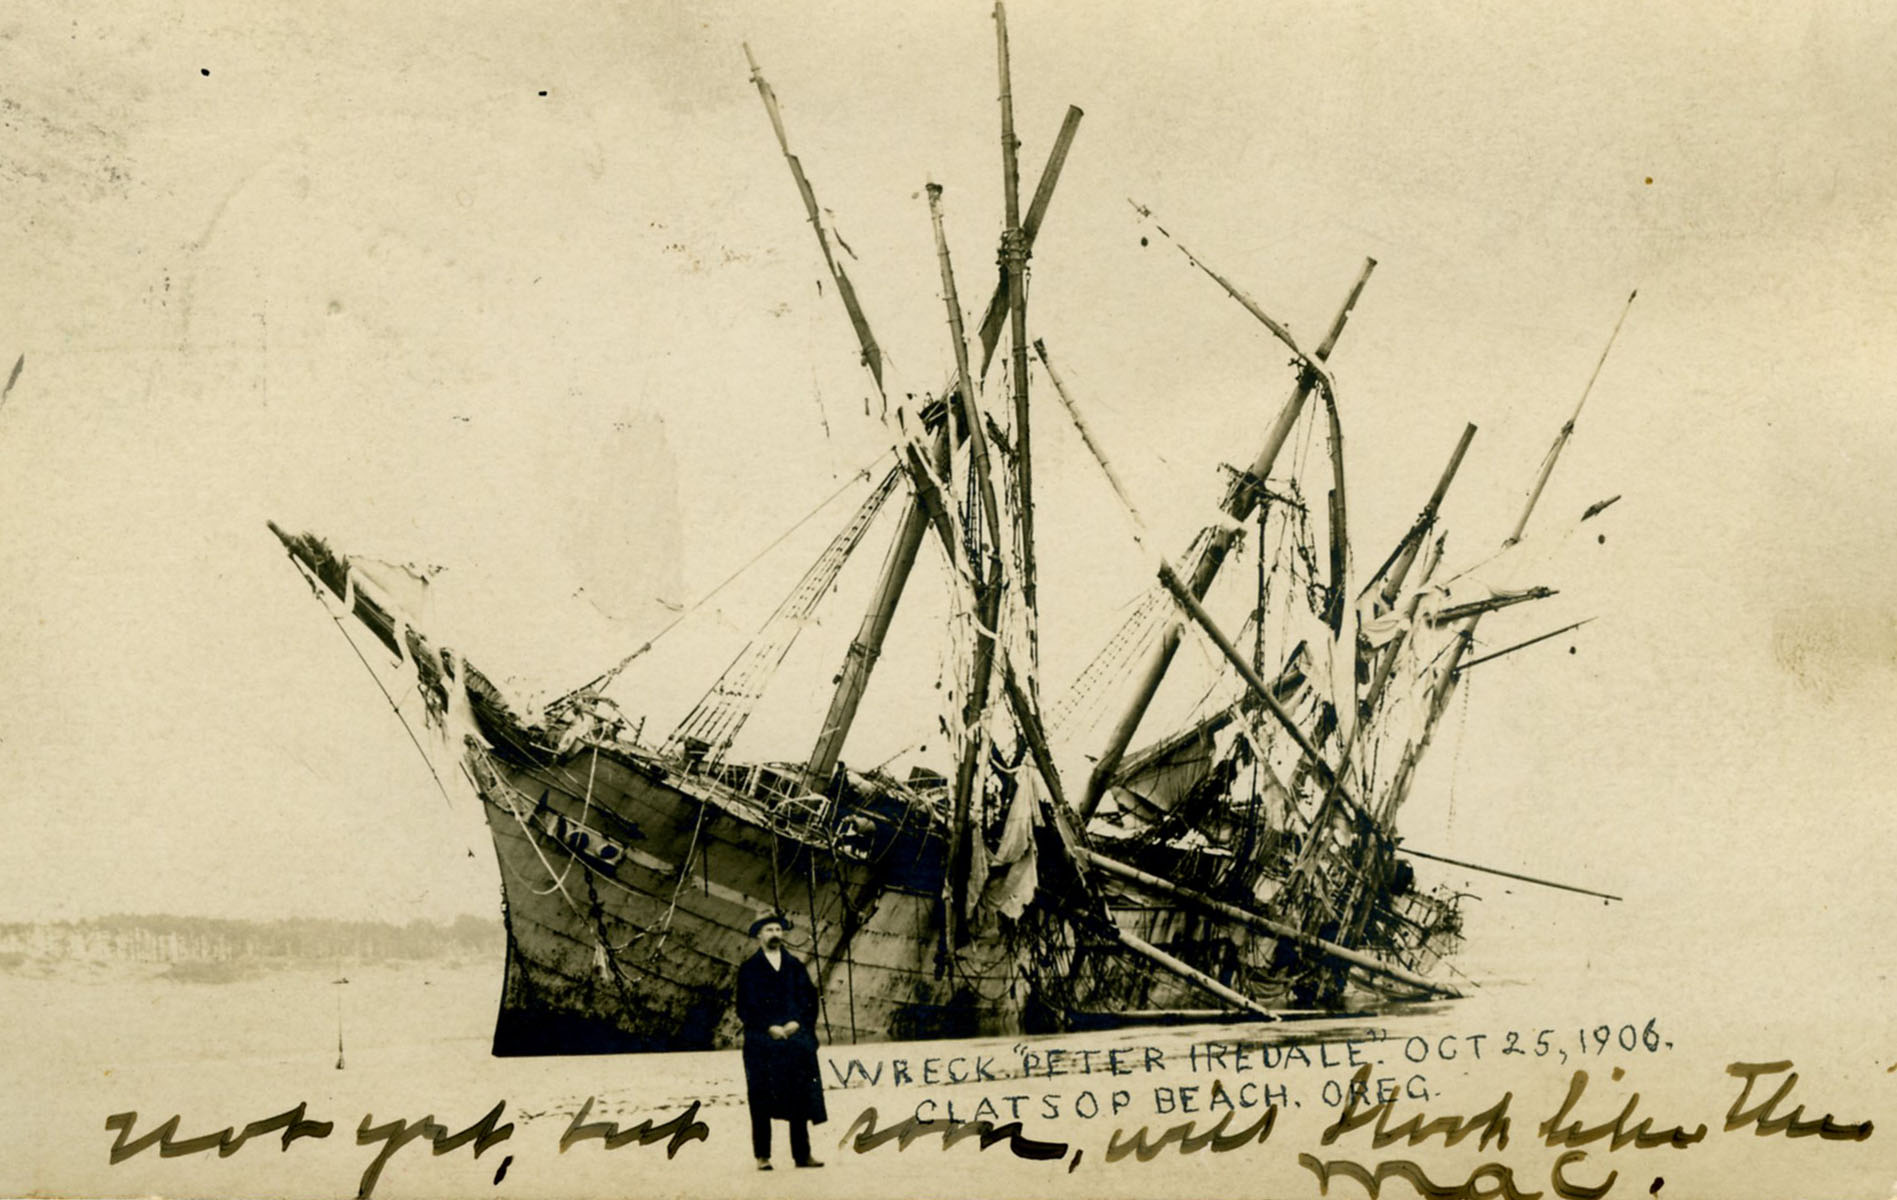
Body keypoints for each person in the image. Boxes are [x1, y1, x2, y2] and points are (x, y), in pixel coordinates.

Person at [734, 911, 827, 1170]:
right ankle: (762, 1156)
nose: (775, 934)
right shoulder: (749, 969)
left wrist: (797, 1022)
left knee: (799, 1097)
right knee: (761, 1098)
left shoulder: (795, 966)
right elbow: (744, 1006)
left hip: (794, 1039)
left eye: (778, 929)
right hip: (762, 1042)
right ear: (758, 936)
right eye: (769, 930)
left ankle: (802, 1155)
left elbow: (809, 999)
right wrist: (769, 1026)